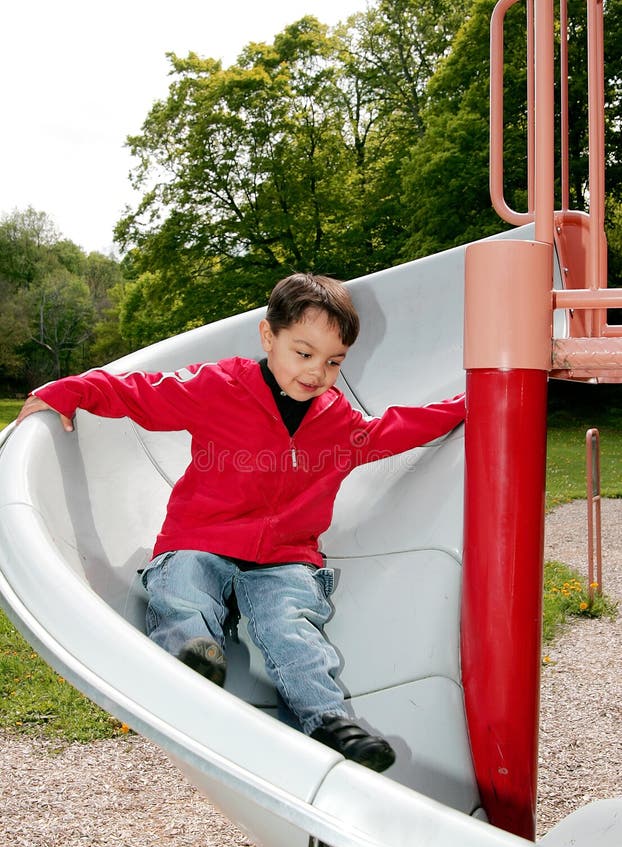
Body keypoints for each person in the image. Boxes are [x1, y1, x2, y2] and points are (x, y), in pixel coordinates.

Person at [17, 273, 465, 773]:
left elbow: (392, 430)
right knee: (184, 584)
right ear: (268, 337)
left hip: (285, 556)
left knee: (292, 627)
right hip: (202, 537)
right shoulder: (220, 387)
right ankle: (189, 654)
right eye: (303, 352)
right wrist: (71, 390)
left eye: (333, 361)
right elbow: (143, 393)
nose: (317, 371)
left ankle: (328, 721)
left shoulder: (337, 422)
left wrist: (471, 405)